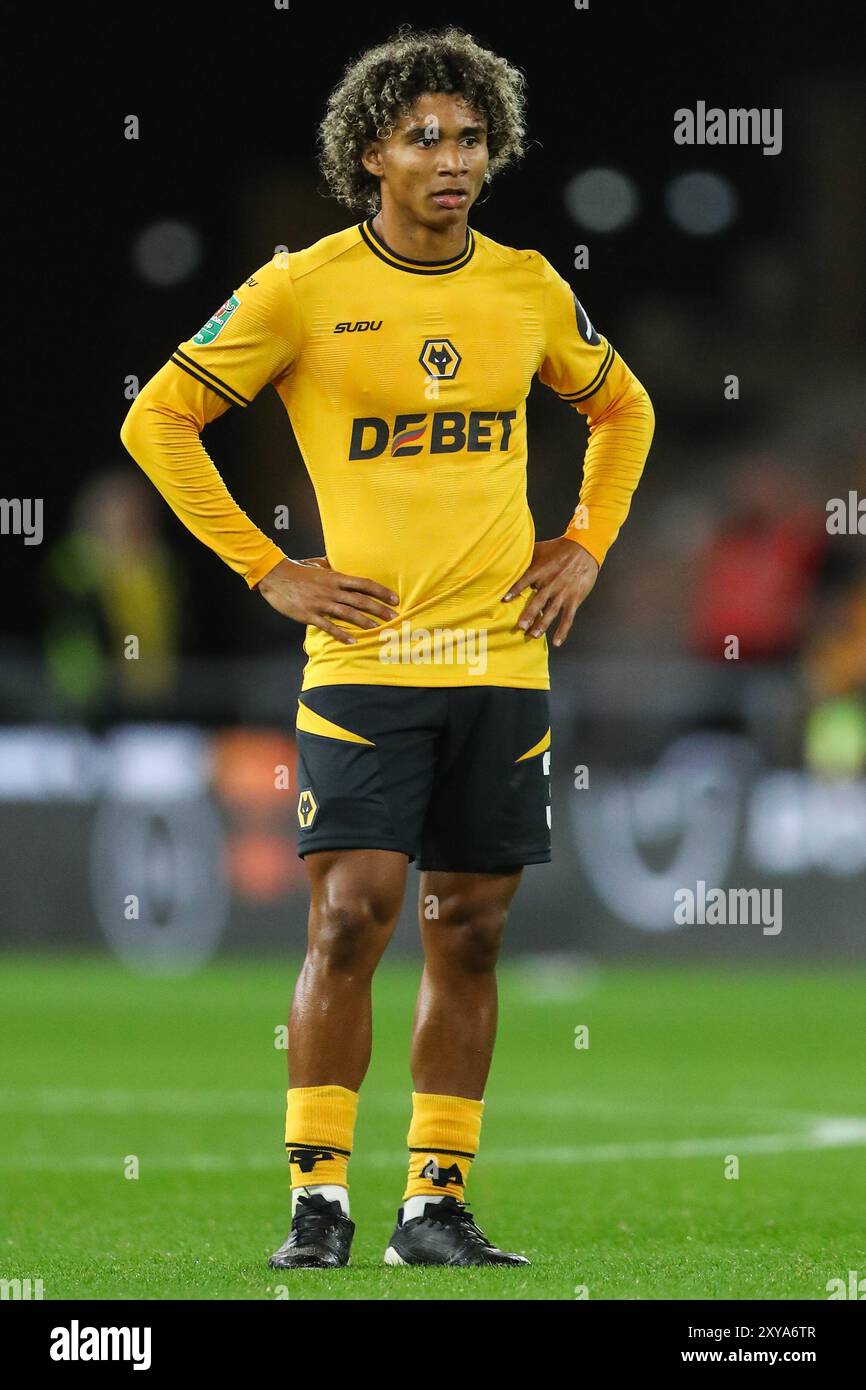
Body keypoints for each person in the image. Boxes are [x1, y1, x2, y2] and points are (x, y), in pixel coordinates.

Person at [120, 25, 654, 1269]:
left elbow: (617, 405)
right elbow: (163, 416)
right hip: (364, 661)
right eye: (425, 137)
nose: (452, 158)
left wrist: (583, 541)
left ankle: (433, 1205)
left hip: (502, 659)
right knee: (351, 917)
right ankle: (317, 1196)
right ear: (371, 155)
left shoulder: (524, 286)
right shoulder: (301, 287)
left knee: (467, 924)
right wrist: (269, 567)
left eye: (469, 137)